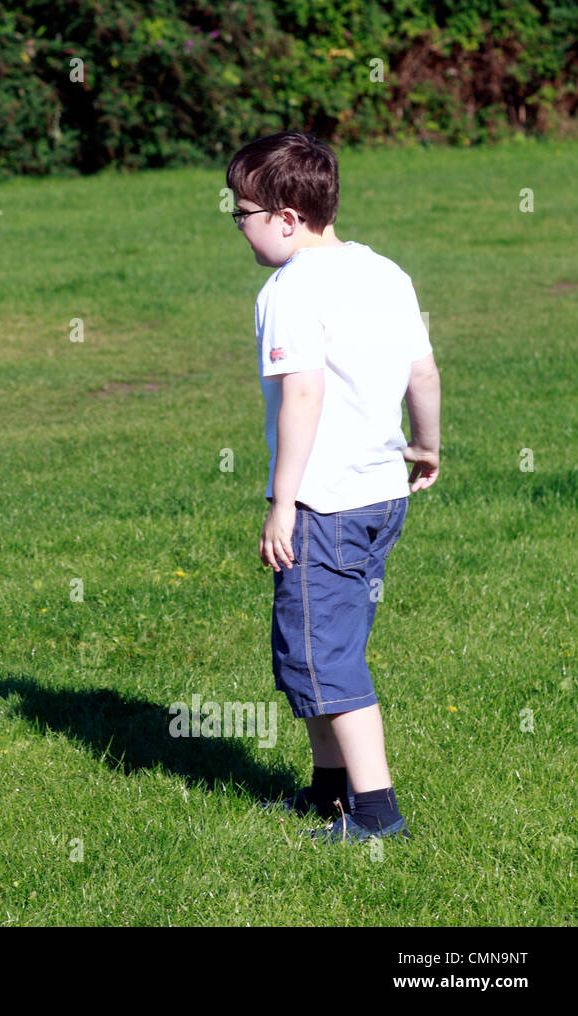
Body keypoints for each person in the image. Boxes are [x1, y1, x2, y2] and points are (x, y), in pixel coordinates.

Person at [227, 131, 442, 842]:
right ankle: (326, 794)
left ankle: (377, 816)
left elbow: (303, 397)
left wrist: (283, 501)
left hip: (328, 502)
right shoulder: (385, 271)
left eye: (243, 212)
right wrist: (427, 444)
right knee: (315, 644)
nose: (240, 225)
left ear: (286, 217)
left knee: (325, 655)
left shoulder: (290, 289)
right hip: (381, 492)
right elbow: (423, 373)